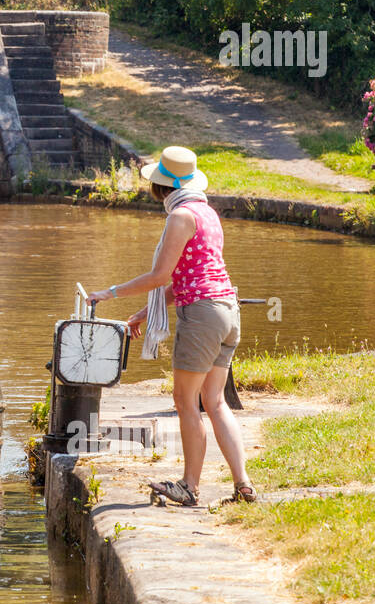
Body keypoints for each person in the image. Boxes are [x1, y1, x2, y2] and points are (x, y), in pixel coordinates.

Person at [86, 146, 255, 507]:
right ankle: (243, 485)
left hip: (203, 316)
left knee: (185, 401)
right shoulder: (207, 213)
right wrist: (145, 312)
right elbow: (184, 279)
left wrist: (109, 293)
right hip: (227, 311)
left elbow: (160, 275)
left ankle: (190, 487)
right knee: (214, 401)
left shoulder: (179, 217)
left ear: (160, 188)